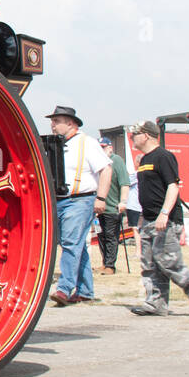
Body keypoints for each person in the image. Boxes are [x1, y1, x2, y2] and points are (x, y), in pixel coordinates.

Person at [127, 120, 189, 316]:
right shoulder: (144, 160)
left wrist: (164, 214)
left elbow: (173, 186)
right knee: (148, 264)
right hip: (149, 219)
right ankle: (155, 303)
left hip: (164, 220)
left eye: (136, 134)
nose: (133, 138)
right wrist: (143, 218)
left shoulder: (163, 156)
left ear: (147, 135)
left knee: (168, 261)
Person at [46, 105, 112, 306]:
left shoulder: (87, 143)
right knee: (76, 245)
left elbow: (106, 169)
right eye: (53, 121)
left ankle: (64, 289)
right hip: (61, 200)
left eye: (57, 121)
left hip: (81, 199)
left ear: (71, 123)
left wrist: (101, 198)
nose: (53, 125)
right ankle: (85, 291)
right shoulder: (56, 145)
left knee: (70, 244)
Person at [95, 137, 130, 276]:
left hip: (112, 207)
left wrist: (123, 201)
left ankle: (110, 265)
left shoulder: (117, 161)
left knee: (111, 236)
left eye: (103, 147)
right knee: (100, 235)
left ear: (110, 148)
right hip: (98, 209)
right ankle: (105, 263)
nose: (101, 150)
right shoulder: (97, 162)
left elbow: (124, 183)